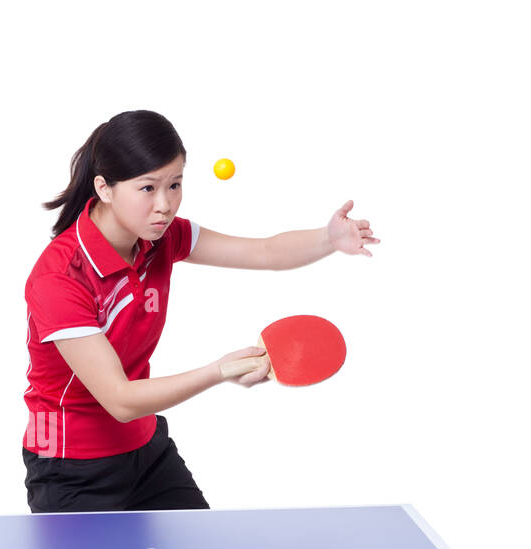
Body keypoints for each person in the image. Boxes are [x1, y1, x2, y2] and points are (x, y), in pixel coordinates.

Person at [21, 109, 379, 513]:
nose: (165, 205)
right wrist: (219, 371)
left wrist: (328, 238)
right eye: (147, 188)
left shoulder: (161, 238)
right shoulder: (61, 276)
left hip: (147, 451)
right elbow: (119, 400)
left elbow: (264, 252)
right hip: (71, 468)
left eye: (175, 184)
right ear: (103, 188)